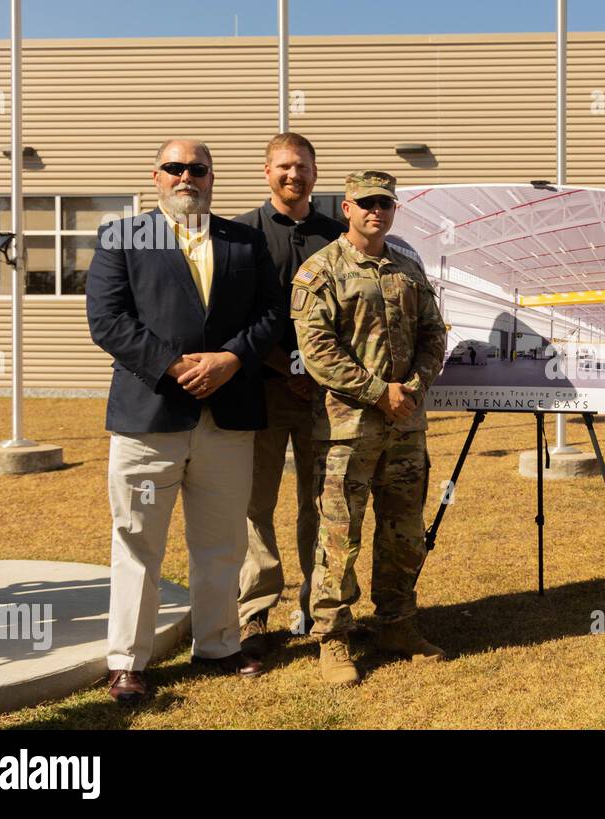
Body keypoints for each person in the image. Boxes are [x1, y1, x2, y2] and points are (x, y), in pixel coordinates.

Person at [86, 139, 284, 704]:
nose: (186, 177)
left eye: (198, 168)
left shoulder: (244, 240)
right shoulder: (123, 235)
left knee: (220, 542)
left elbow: (271, 313)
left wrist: (231, 359)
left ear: (212, 177)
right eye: (175, 168)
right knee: (137, 542)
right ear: (156, 176)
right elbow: (106, 320)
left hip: (227, 417)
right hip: (149, 416)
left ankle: (219, 644)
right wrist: (172, 365)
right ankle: (128, 661)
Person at [291, 170, 448, 686]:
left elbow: (433, 334)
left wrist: (415, 387)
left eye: (386, 203)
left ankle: (397, 623)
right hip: (347, 432)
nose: (376, 211)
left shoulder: (406, 268)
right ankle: (333, 637)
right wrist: (381, 392)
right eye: (367, 202)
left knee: (405, 532)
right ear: (347, 208)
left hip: (406, 428)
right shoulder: (322, 271)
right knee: (340, 537)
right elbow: (318, 351)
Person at [233, 132, 346, 655]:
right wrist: (285, 367)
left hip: (325, 396)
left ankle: (316, 608)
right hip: (262, 390)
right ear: (266, 172)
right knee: (255, 503)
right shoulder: (240, 235)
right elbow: (236, 317)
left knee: (321, 503)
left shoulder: (338, 235)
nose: (292, 175)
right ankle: (254, 612)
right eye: (283, 166)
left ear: (315, 173)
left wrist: (319, 373)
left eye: (301, 166)